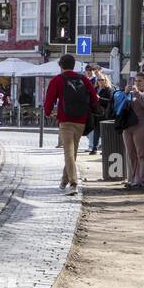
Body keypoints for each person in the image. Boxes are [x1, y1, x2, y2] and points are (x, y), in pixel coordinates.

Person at [43, 52, 99, 195]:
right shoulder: (84, 79)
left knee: (68, 152)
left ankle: (73, 184)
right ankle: (64, 180)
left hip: (65, 120)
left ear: (61, 65)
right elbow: (94, 97)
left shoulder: (57, 80)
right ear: (74, 65)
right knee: (72, 152)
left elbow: (49, 100)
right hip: (81, 120)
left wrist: (48, 112)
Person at [122, 73, 144, 189]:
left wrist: (138, 93)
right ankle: (134, 179)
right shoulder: (131, 93)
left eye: (140, 81)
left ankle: (142, 180)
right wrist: (125, 93)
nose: (137, 83)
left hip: (143, 124)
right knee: (131, 154)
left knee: (142, 154)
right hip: (128, 125)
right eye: (136, 81)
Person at [87, 70, 115, 154]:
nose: (100, 81)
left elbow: (110, 101)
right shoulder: (95, 89)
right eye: (99, 80)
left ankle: (104, 149)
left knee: (104, 132)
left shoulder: (108, 90)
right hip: (96, 113)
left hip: (105, 113)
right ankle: (94, 148)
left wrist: (99, 99)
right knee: (96, 131)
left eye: (102, 79)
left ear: (105, 80)